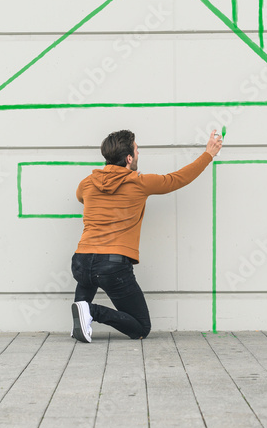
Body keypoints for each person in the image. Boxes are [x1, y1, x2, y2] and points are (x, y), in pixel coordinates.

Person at [70, 129, 224, 342]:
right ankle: (90, 312)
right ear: (129, 158)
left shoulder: (87, 183)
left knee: (89, 275)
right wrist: (208, 154)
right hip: (112, 265)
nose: (139, 154)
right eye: (137, 149)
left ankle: (81, 315)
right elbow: (178, 179)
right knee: (141, 327)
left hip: (81, 261)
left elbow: (81, 198)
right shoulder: (138, 182)